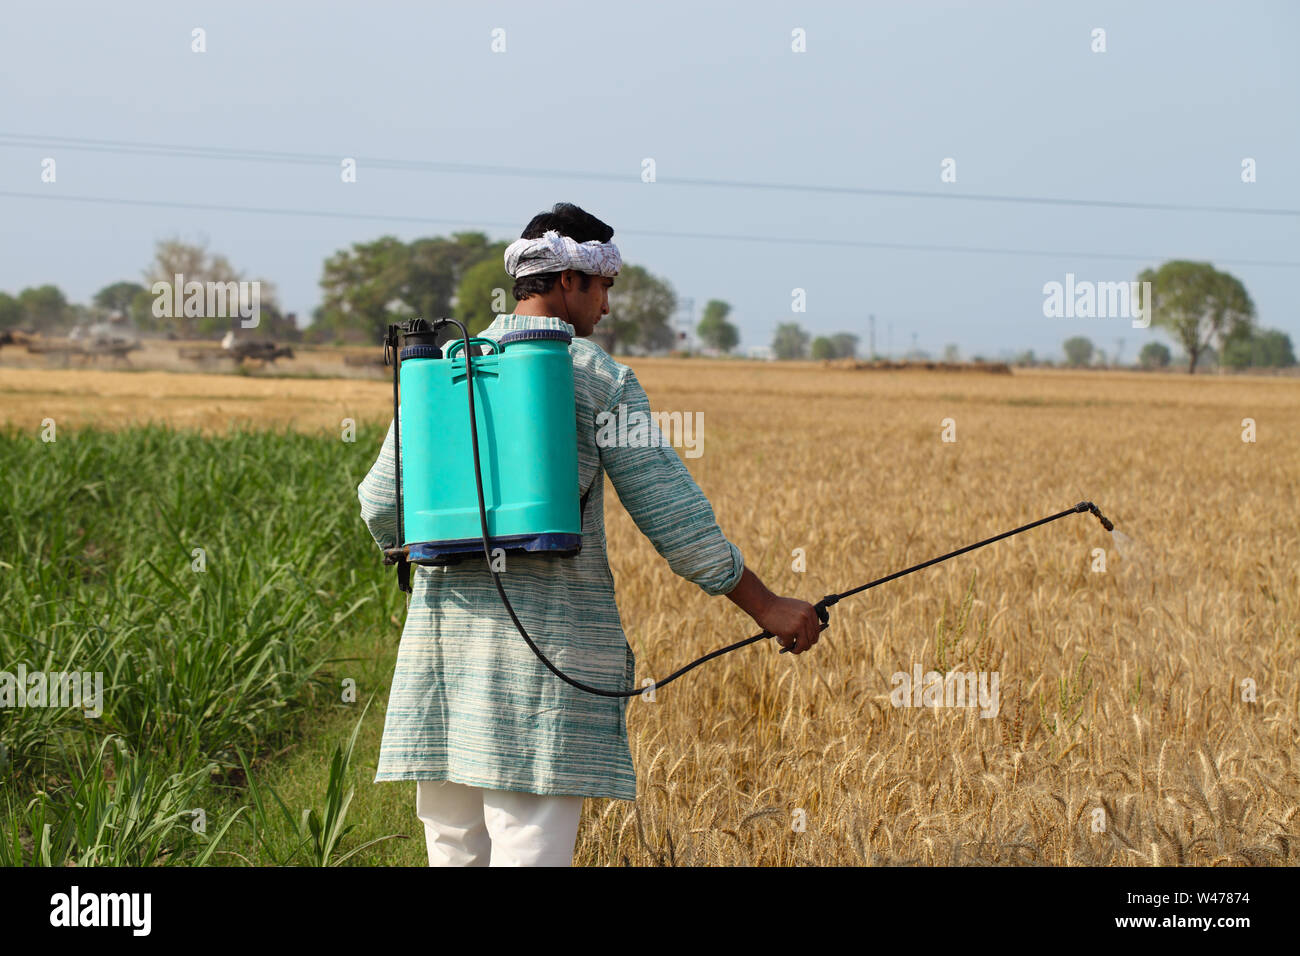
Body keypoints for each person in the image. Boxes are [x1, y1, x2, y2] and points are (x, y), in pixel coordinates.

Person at [357, 202, 822, 867]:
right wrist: (769, 607)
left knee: (455, 853)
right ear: (567, 282)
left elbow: (380, 504)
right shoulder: (597, 380)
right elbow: (677, 522)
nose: (605, 306)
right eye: (602, 286)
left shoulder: (442, 365)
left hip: (441, 668)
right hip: (543, 671)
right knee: (528, 850)